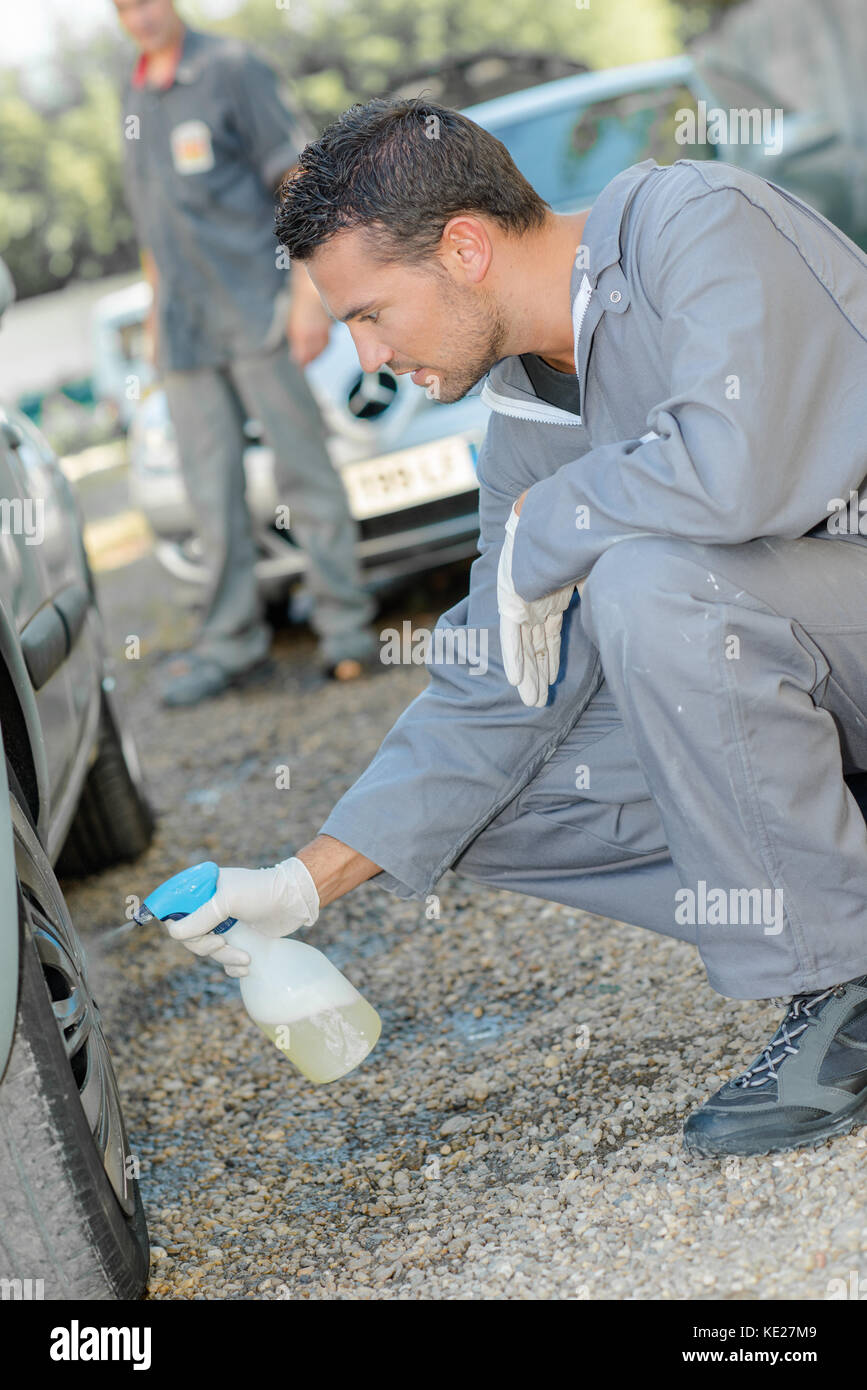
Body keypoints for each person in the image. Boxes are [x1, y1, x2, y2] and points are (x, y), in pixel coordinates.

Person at [158, 98, 867, 1159]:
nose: (365, 357)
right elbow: (491, 685)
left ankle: (840, 983)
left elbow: (739, 464)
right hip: (824, 667)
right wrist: (302, 885)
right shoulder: (527, 418)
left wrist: (559, 527)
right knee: (490, 802)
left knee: (649, 585)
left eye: (370, 313)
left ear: (466, 247)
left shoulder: (696, 221)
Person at [115, 0, 376, 704]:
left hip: (257, 308)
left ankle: (345, 630)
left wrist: (305, 296)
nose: (137, 16)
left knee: (303, 475)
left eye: (144, 2)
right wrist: (154, 312)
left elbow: (296, 182)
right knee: (210, 494)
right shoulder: (132, 88)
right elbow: (152, 220)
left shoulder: (231, 68)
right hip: (185, 329)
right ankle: (233, 642)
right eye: (121, 6)